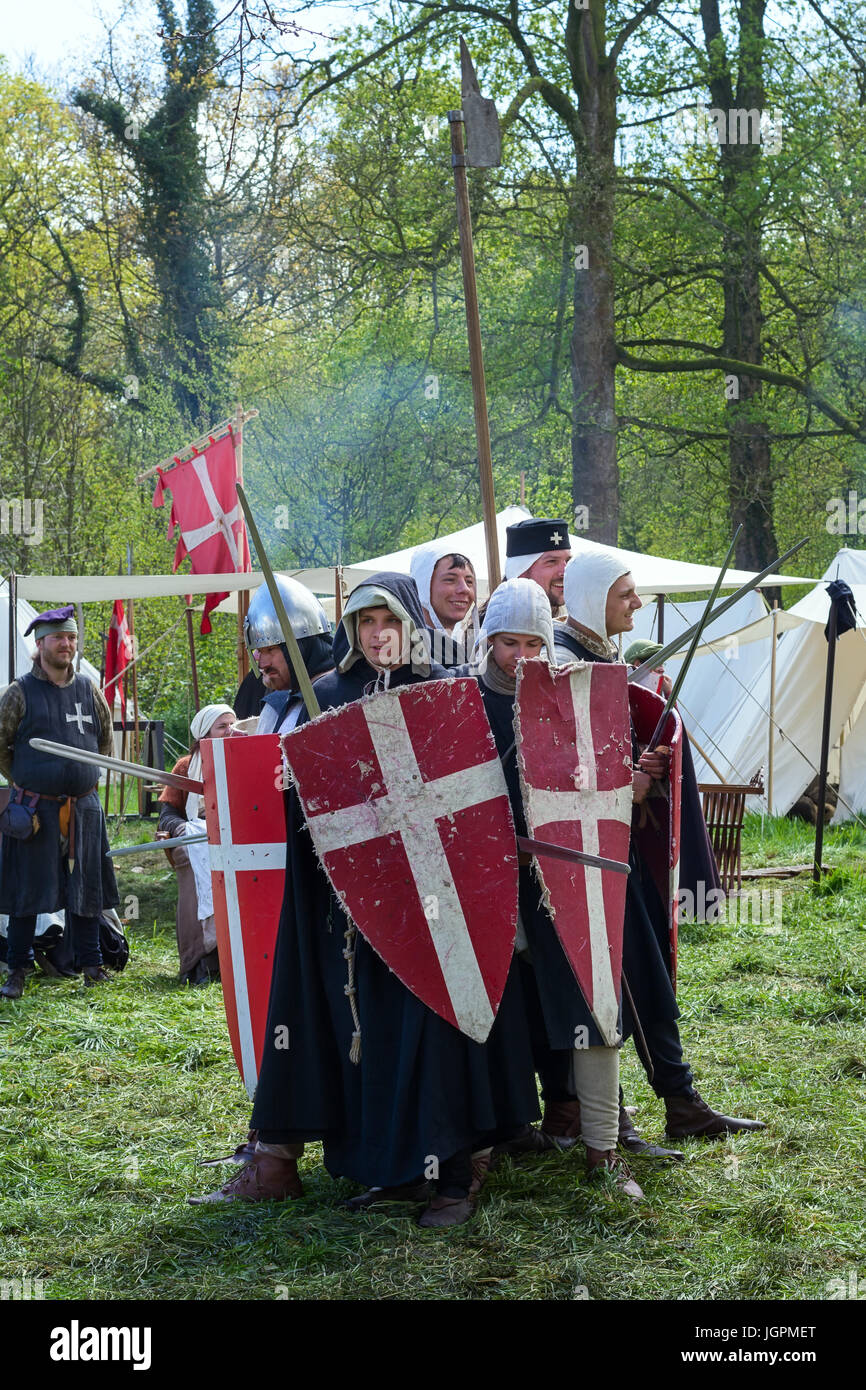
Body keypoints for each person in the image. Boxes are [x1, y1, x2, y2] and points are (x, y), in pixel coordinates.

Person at [191, 572, 540, 1226]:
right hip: (351, 913)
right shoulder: (324, 696)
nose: (379, 635)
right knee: (371, 1038)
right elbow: (304, 805)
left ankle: (453, 1177)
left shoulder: (444, 692)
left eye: (389, 621)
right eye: (366, 622)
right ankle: (392, 1172)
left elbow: (471, 797)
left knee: (435, 1037)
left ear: (410, 625)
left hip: (434, 905)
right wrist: (296, 776)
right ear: (351, 629)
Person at [553, 554, 766, 1144]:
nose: (637, 604)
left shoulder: (603, 658)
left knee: (646, 980)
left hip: (618, 851)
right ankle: (620, 1116)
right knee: (617, 986)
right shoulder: (561, 663)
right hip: (580, 863)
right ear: (596, 597)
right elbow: (558, 774)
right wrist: (627, 781)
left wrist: (646, 768)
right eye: (626, 594)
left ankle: (675, 1101)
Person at [470, 578, 643, 1199]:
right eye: (508, 643)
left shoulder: (575, 697)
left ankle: (604, 1148)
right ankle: (479, 1150)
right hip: (490, 882)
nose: (520, 657)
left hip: (569, 873)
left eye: (532, 644)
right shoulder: (461, 703)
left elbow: (600, 785)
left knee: (594, 1003)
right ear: (488, 641)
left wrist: (636, 777)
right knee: (485, 1011)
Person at [0, 605, 119, 998]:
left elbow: (103, 741)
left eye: (71, 637)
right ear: (40, 644)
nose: (66, 644)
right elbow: (1, 746)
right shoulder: (19, 693)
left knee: (86, 889)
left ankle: (91, 965)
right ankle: (16, 970)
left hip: (83, 806)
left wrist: (83, 782)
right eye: (58, 638)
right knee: (26, 891)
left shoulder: (87, 688)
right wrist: (27, 784)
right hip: (35, 809)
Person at [623, 639, 723, 922]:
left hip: (660, 800)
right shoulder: (619, 696)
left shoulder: (667, 700)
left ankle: (690, 908)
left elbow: (674, 749)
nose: (660, 671)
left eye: (662, 665)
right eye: (651, 665)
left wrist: (666, 758)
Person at [157, 704, 236, 986]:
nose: (230, 732)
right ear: (205, 734)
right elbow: (167, 814)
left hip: (236, 838)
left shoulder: (243, 759)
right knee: (191, 859)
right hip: (196, 836)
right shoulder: (185, 766)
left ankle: (235, 958)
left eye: (232, 725)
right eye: (222, 727)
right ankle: (198, 961)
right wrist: (182, 829)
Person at [241, 576, 333, 735]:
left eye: (270, 649)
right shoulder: (277, 704)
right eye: (260, 651)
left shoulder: (342, 695)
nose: (262, 664)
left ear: (299, 647)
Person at [410, 540, 478, 666]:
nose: (465, 589)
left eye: (469, 581)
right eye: (450, 580)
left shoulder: (459, 647)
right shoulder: (409, 649)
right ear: (422, 586)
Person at [503, 517, 573, 616]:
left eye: (567, 561)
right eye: (552, 561)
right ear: (521, 571)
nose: (565, 572)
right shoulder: (485, 629)